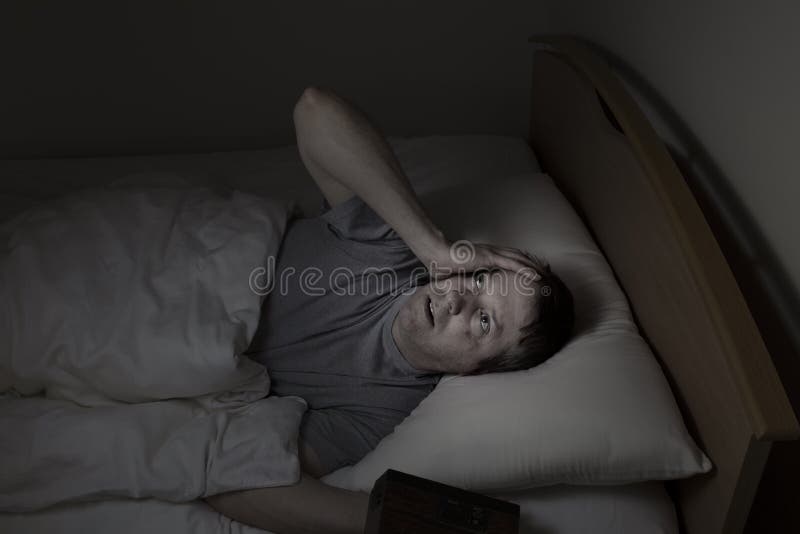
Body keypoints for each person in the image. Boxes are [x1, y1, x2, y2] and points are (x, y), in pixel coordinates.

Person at [205, 87, 574, 534]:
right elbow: (314, 111)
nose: (457, 297)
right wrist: (433, 246)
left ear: (479, 370)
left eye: (483, 321)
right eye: (479, 280)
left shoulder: (379, 412)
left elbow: (235, 480)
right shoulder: (392, 250)